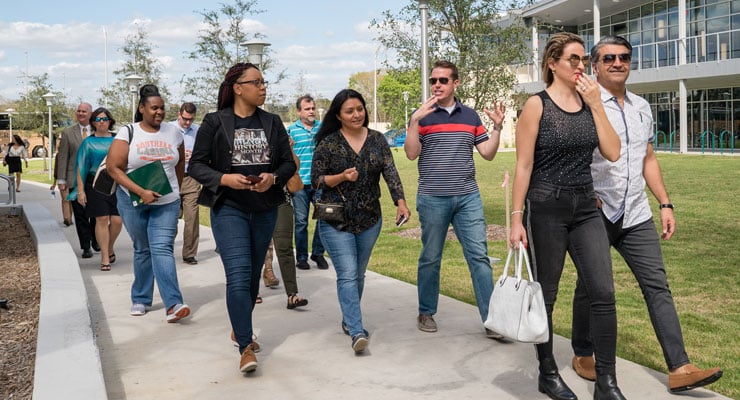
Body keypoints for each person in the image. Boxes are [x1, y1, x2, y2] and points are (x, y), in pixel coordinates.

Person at [570, 35, 723, 394]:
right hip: (596, 211)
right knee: (591, 286)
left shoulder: (642, 106)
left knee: (657, 286)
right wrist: (585, 195)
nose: (618, 63)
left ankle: (680, 367)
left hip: (636, 212)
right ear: (595, 64)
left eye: (624, 57)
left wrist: (665, 203)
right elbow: (572, 155)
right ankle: (582, 351)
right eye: (609, 58)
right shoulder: (583, 105)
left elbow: (648, 158)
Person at [510, 32, 624, 400]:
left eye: (583, 61)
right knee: (547, 295)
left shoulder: (592, 101)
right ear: (552, 63)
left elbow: (612, 152)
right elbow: (524, 165)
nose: (581, 66)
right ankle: (547, 373)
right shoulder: (536, 105)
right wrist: (515, 218)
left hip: (585, 206)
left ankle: (607, 383)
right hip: (545, 206)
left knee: (603, 292)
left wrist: (597, 105)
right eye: (573, 59)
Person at [188, 63, 296, 373]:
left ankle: (240, 325)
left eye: (264, 82)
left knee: (250, 279)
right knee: (237, 275)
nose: (263, 87)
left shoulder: (273, 122)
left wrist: (272, 178)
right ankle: (245, 346)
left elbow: (288, 164)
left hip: (264, 209)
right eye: (257, 82)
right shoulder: (215, 122)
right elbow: (196, 165)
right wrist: (225, 179)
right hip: (230, 208)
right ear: (238, 87)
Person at [404, 60, 504, 338]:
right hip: (433, 197)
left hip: (467, 198)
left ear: (455, 83)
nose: (437, 85)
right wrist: (414, 121)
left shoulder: (470, 116)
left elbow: (488, 153)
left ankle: (492, 320)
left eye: (443, 80)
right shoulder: (422, 115)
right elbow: (411, 153)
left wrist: (497, 128)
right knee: (431, 257)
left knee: (479, 258)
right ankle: (426, 312)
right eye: (433, 80)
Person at [312, 89, 410, 354]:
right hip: (336, 220)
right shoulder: (328, 143)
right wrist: (341, 177)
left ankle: (348, 318)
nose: (357, 114)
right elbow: (317, 180)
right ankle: (356, 330)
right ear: (338, 116)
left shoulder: (378, 140)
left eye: (360, 109)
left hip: (370, 218)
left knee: (358, 273)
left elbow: (390, 172)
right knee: (347, 274)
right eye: (349, 111)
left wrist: (400, 201)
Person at [106, 84, 190, 323]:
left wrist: (176, 190)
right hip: (133, 200)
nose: (159, 112)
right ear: (142, 108)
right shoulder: (128, 132)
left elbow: (180, 163)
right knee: (143, 248)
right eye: (154, 108)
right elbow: (113, 168)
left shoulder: (174, 133)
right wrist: (141, 191)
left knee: (162, 248)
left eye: (162, 108)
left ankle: (174, 304)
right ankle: (141, 298)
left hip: (166, 203)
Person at [72, 107, 123, 272]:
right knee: (101, 219)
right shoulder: (88, 142)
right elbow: (81, 167)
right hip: (94, 185)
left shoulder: (118, 140)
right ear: (93, 122)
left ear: (110, 121)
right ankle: (105, 258)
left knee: (117, 220)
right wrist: (80, 191)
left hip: (117, 184)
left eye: (105, 119)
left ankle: (108, 247)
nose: (102, 122)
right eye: (98, 119)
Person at [261, 137, 309, 309]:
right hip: (254, 200)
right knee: (253, 247)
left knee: (284, 246)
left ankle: (292, 294)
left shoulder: (281, 143)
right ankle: (250, 291)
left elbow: (295, 167)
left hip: (281, 199)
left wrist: (288, 148)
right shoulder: (252, 142)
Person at [287, 95, 328, 270]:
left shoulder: (323, 128)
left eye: (312, 108)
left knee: (325, 217)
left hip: (320, 182)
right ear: (299, 111)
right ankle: (302, 257)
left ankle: (318, 253)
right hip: (299, 184)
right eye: (307, 109)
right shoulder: (291, 131)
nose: (311, 111)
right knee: (301, 221)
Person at [58, 103, 98, 258]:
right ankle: (86, 246)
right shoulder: (68, 133)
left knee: (96, 213)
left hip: (95, 180)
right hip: (74, 180)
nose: (80, 113)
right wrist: (62, 179)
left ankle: (96, 239)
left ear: (90, 113)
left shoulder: (98, 130)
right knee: (80, 215)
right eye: (78, 111)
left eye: (84, 111)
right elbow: (63, 156)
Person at [171, 102, 201, 265]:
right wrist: (178, 154)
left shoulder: (198, 131)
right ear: (179, 114)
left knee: (192, 217)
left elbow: (204, 153)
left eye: (191, 119)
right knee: (171, 217)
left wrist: (194, 156)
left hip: (191, 178)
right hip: (172, 177)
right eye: (185, 119)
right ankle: (166, 250)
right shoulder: (168, 129)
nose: (187, 123)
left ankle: (189, 253)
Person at [51, 156, 74, 226]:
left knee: (69, 200)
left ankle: (68, 218)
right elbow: (56, 169)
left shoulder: (74, 152)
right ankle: (67, 218)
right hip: (64, 179)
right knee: (66, 199)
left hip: (71, 179)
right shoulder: (59, 155)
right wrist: (54, 183)